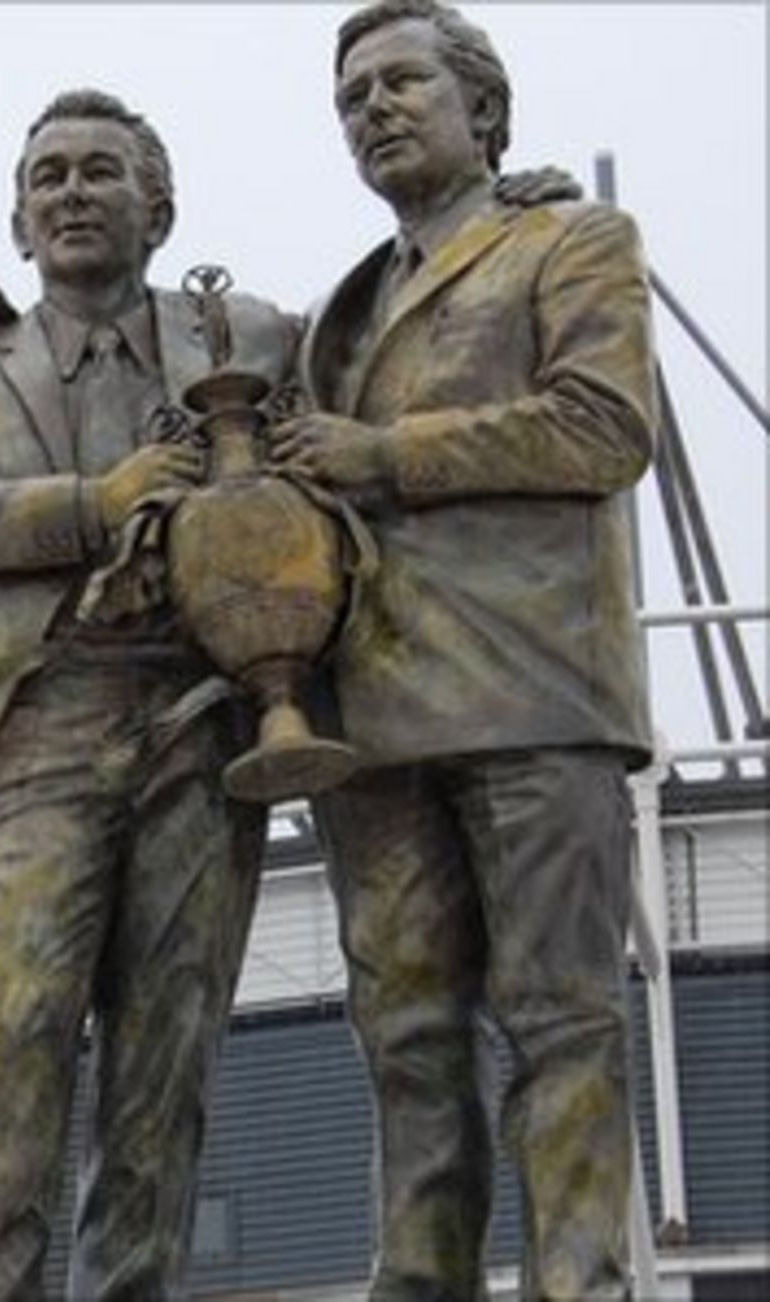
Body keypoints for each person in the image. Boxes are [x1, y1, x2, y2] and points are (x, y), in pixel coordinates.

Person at [0, 89, 296, 1301]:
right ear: (18, 222)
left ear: (157, 209)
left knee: (165, 1059)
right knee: (15, 1032)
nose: (70, 194)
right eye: (48, 177)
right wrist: (96, 503)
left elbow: (388, 348)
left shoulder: (245, 340)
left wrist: (499, 193)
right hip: (32, 727)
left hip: (197, 724)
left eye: (99, 174)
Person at [270, 3, 658, 1299]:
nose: (371, 109)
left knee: (563, 1024)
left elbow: (602, 429)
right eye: (350, 98)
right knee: (407, 1042)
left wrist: (384, 457)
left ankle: (579, 1284)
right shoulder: (337, 308)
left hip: (534, 694)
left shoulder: (570, 241)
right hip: (372, 720)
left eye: (399, 83)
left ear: (482, 112)